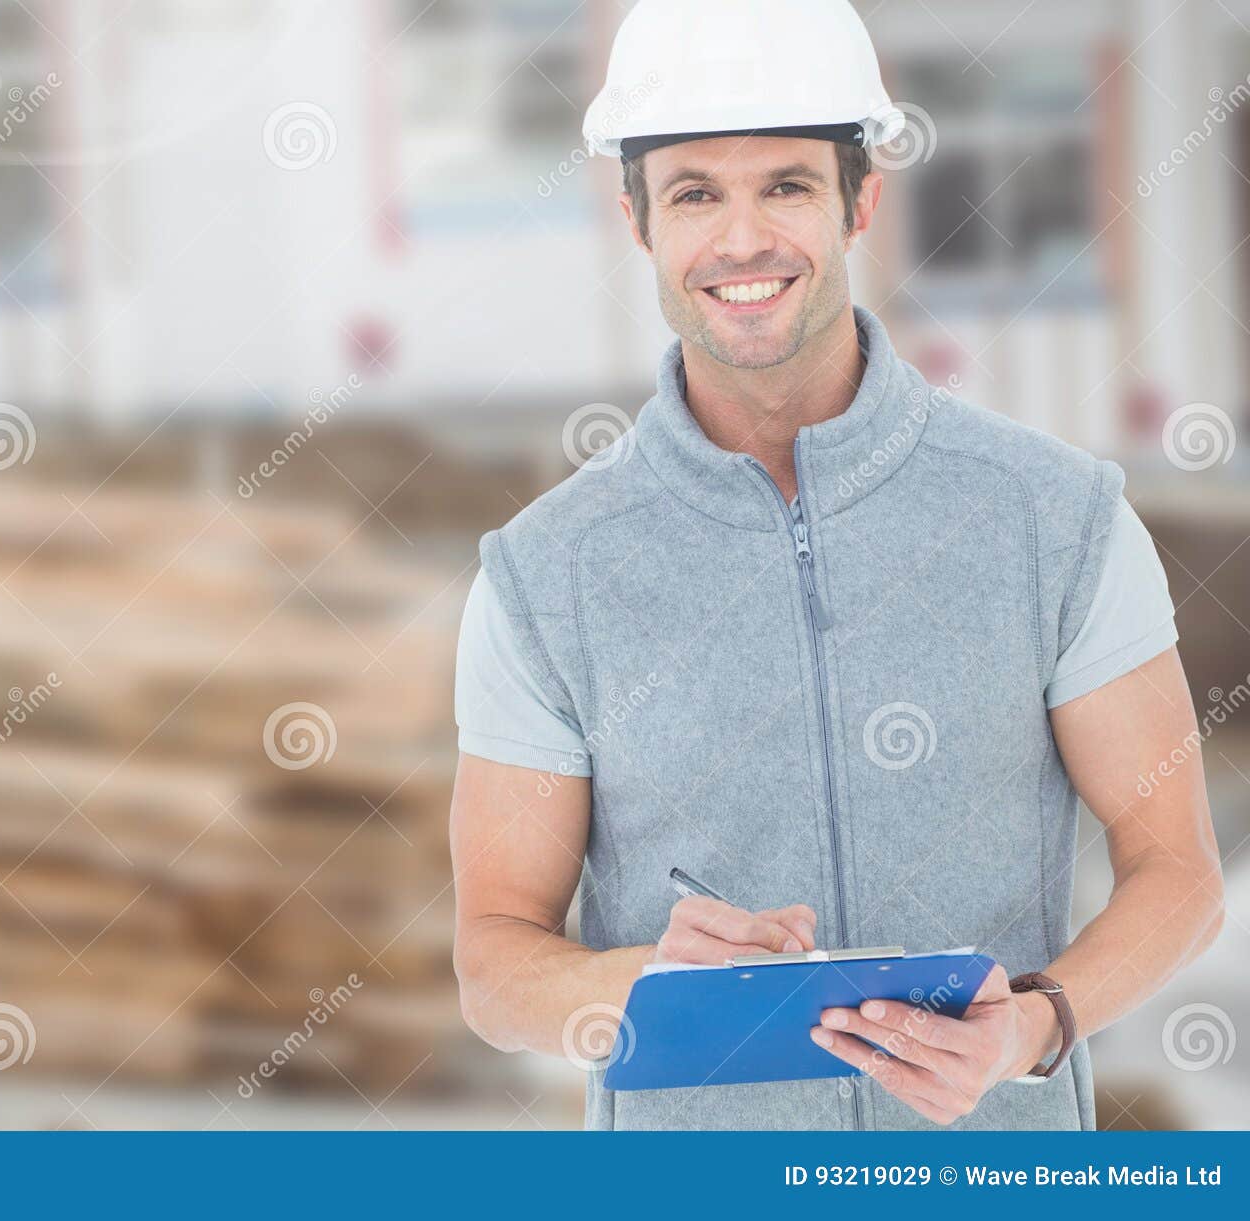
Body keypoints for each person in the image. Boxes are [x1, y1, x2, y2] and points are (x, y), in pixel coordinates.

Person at [449, 0, 1223, 1131]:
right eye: (696, 194)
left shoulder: (1054, 520)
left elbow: (1179, 875)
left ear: (862, 199)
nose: (742, 240)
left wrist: (1034, 1024)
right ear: (636, 219)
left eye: (787, 185)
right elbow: (494, 963)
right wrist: (635, 988)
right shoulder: (543, 576)